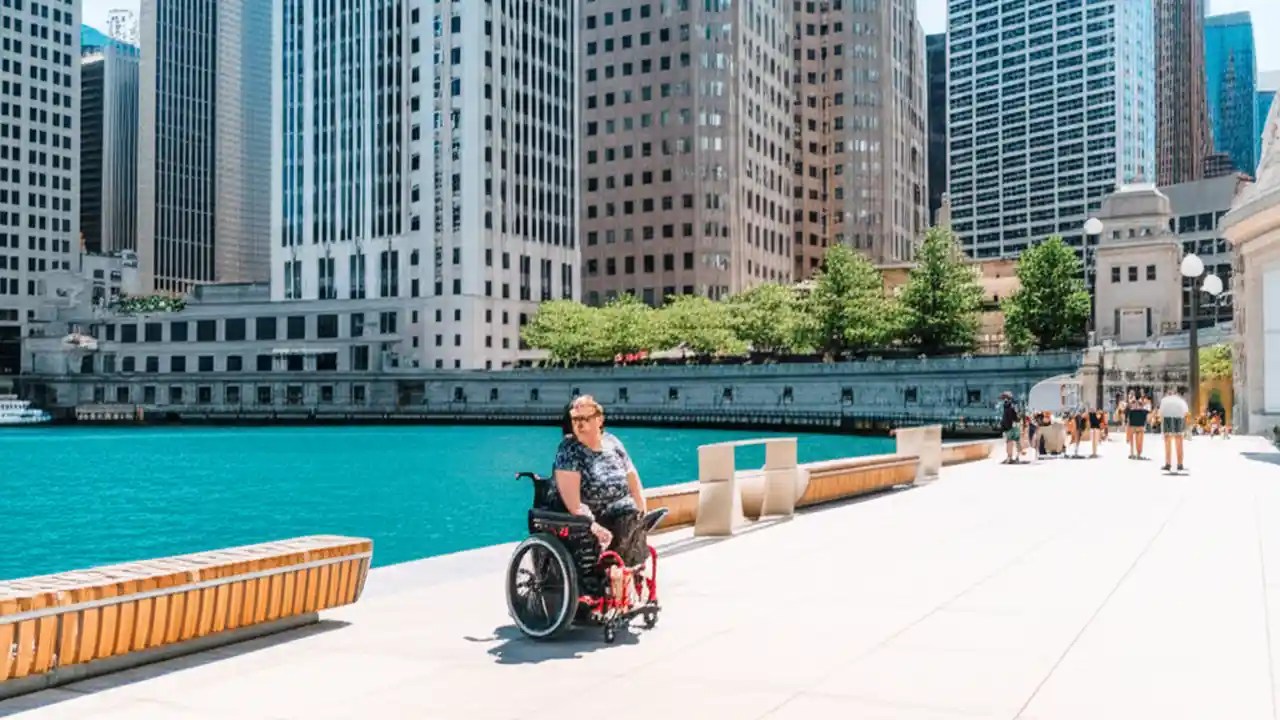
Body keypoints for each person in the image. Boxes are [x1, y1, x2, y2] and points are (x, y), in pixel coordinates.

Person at [551, 395, 650, 566]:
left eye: (585, 419)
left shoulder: (613, 442)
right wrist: (594, 526)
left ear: (599, 420)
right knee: (628, 515)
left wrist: (643, 509)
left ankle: (624, 569)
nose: (580, 424)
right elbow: (574, 504)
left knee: (631, 513)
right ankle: (618, 573)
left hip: (623, 512)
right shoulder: (569, 450)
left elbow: (633, 479)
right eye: (575, 419)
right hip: (593, 517)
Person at [1158, 387, 1190, 472]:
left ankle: (1168, 464)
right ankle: (1180, 464)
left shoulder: (1164, 400)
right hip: (1178, 419)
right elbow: (1186, 412)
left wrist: (1162, 427)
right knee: (1179, 442)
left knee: (1167, 442)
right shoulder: (1181, 400)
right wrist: (1186, 426)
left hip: (1167, 419)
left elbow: (1161, 413)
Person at [999, 392, 1022, 464]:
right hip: (1014, 425)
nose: (1003, 400)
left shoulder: (1007, 406)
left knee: (1010, 441)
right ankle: (1016, 457)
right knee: (1016, 441)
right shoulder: (1014, 405)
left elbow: (1007, 417)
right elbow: (1017, 416)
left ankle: (1010, 458)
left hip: (1010, 426)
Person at [1128, 394, 1150, 460]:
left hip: (1136, 427)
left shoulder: (1133, 411)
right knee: (1138, 440)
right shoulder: (1142, 411)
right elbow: (1148, 419)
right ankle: (1136, 453)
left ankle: (1136, 453)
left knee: (1138, 440)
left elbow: (1148, 419)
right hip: (1137, 427)